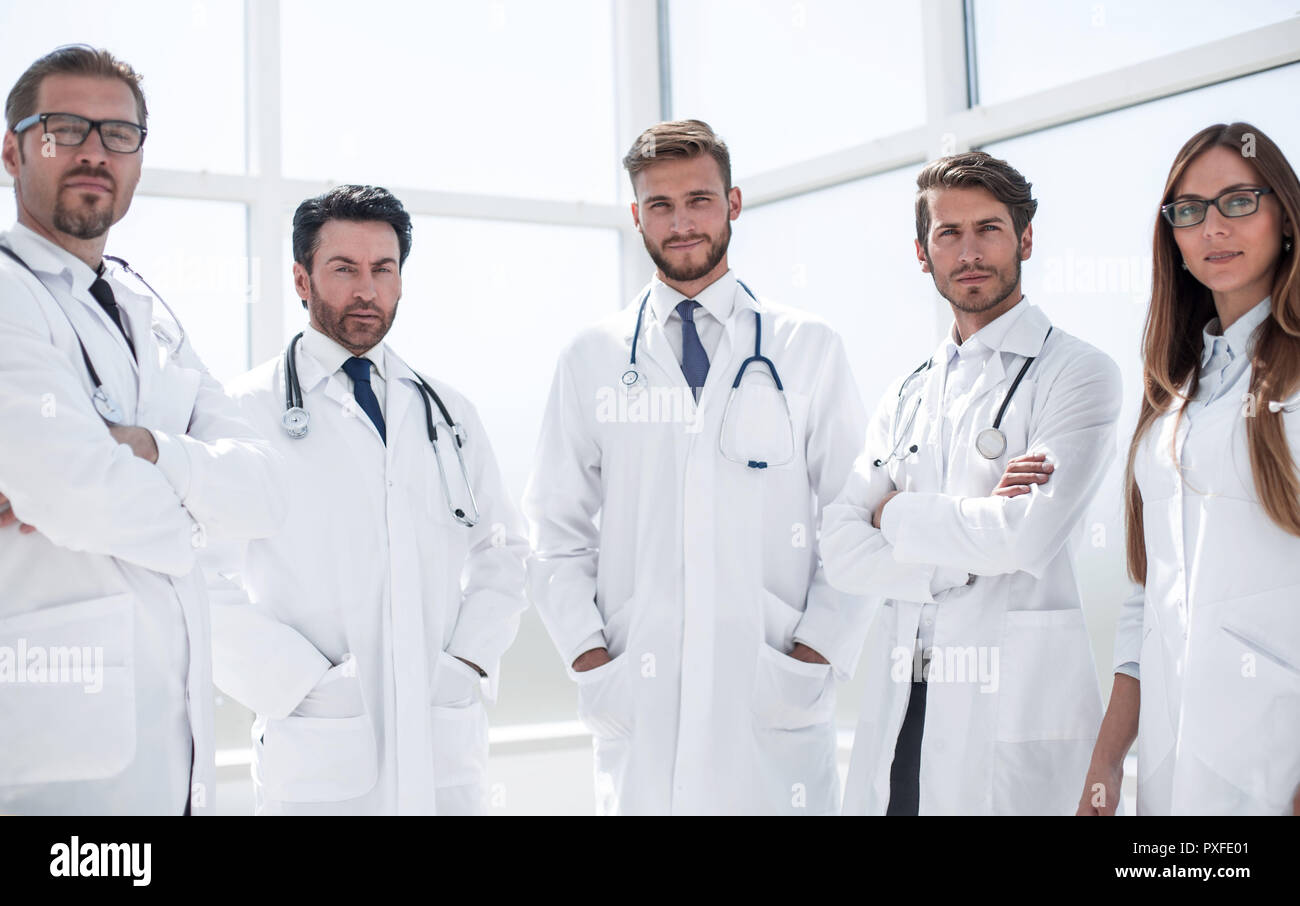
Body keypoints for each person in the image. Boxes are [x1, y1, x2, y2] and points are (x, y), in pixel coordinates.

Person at [524, 120, 870, 815]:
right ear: (636, 217)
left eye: (699, 201)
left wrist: (815, 652)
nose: (681, 223)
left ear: (734, 203)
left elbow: (853, 517)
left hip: (773, 695)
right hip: (638, 697)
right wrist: (592, 659)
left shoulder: (808, 347)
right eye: (660, 205)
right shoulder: (592, 357)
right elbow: (554, 527)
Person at [0, 45, 285, 815]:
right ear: (12, 150)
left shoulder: (144, 308)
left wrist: (151, 451)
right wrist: (199, 519)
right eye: (65, 128)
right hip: (56, 767)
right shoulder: (6, 294)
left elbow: (264, 490)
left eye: (118, 134)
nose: (95, 150)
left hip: (177, 761)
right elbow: (80, 498)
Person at [207, 185, 528, 815]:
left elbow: (502, 550)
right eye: (343, 269)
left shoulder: (448, 411)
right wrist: (299, 684)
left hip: (442, 735)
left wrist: (465, 662)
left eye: (383, 269)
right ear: (302, 280)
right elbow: (199, 574)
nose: (367, 290)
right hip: (320, 740)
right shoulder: (243, 411)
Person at [821, 151, 1123, 815]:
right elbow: (839, 547)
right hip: (905, 707)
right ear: (923, 254)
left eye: (988, 228)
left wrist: (894, 516)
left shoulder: (1077, 373)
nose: (969, 252)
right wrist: (957, 551)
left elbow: (1023, 536)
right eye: (948, 234)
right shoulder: (908, 390)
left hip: (1009, 708)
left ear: (1026, 237)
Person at [1080, 122, 1300, 816]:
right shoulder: (1175, 389)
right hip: (1176, 762)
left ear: (1285, 216)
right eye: (1189, 211)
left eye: (1238, 201)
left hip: (1278, 753)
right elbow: (1149, 592)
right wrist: (1108, 762)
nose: (1213, 228)